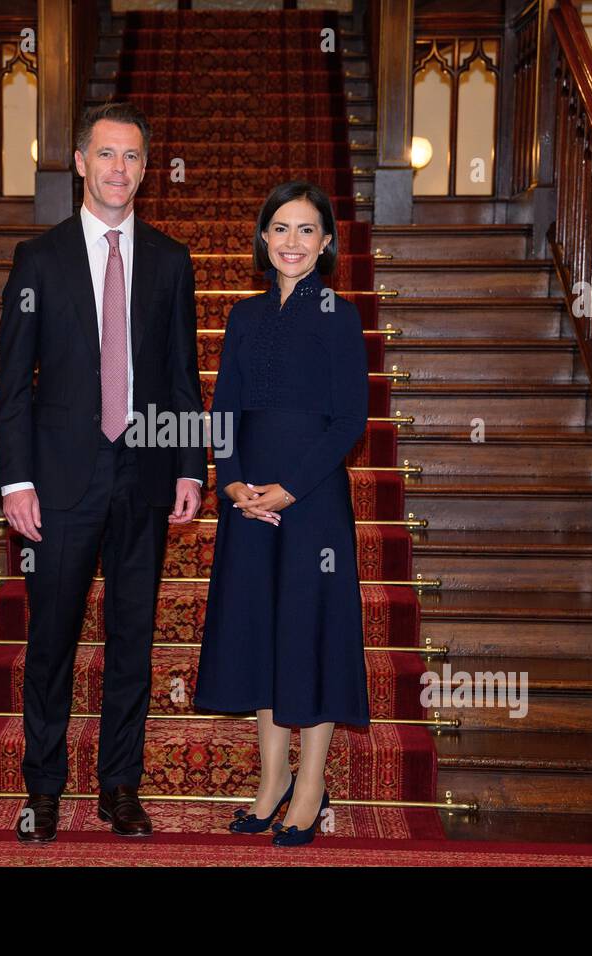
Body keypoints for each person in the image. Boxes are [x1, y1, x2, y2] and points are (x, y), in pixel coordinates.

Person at [0, 101, 205, 841]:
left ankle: (120, 786)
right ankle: (44, 788)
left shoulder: (171, 261)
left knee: (133, 641)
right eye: (107, 154)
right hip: (56, 487)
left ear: (147, 169)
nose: (121, 169)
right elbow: (13, 383)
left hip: (144, 482)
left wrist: (190, 468)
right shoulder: (38, 260)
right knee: (51, 641)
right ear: (80, 162)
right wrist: (15, 482)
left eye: (134, 156)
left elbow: (184, 375)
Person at [193, 181, 371, 847]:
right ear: (263, 240)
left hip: (313, 501)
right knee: (266, 634)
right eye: (281, 229)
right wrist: (233, 484)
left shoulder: (340, 316)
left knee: (312, 637)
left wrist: (289, 489)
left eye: (306, 230)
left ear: (325, 244)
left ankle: (310, 786)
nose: (292, 241)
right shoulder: (243, 316)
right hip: (250, 508)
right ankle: (270, 783)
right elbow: (226, 412)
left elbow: (350, 419)